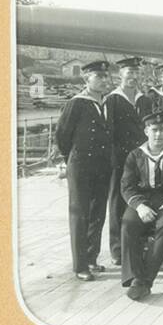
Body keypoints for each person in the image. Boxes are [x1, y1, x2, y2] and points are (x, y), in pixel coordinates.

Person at [119, 112, 163, 301]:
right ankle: (135, 277)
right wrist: (140, 206)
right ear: (146, 131)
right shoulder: (135, 155)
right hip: (143, 200)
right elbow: (127, 186)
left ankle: (145, 281)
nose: (159, 134)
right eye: (154, 130)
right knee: (128, 223)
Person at [54, 59, 114, 281]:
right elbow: (62, 135)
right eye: (99, 77)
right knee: (80, 214)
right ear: (86, 79)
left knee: (97, 213)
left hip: (102, 165)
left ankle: (91, 258)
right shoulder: (77, 103)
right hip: (81, 165)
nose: (104, 80)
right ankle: (80, 266)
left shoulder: (106, 103)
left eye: (106, 77)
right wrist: (69, 159)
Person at [105, 56, 147, 277]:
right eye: (128, 73)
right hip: (119, 159)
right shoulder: (113, 100)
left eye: (136, 73)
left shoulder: (144, 99)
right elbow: (108, 132)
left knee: (138, 199)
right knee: (117, 202)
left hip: (141, 159)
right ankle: (117, 249)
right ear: (120, 75)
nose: (133, 77)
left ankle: (136, 244)